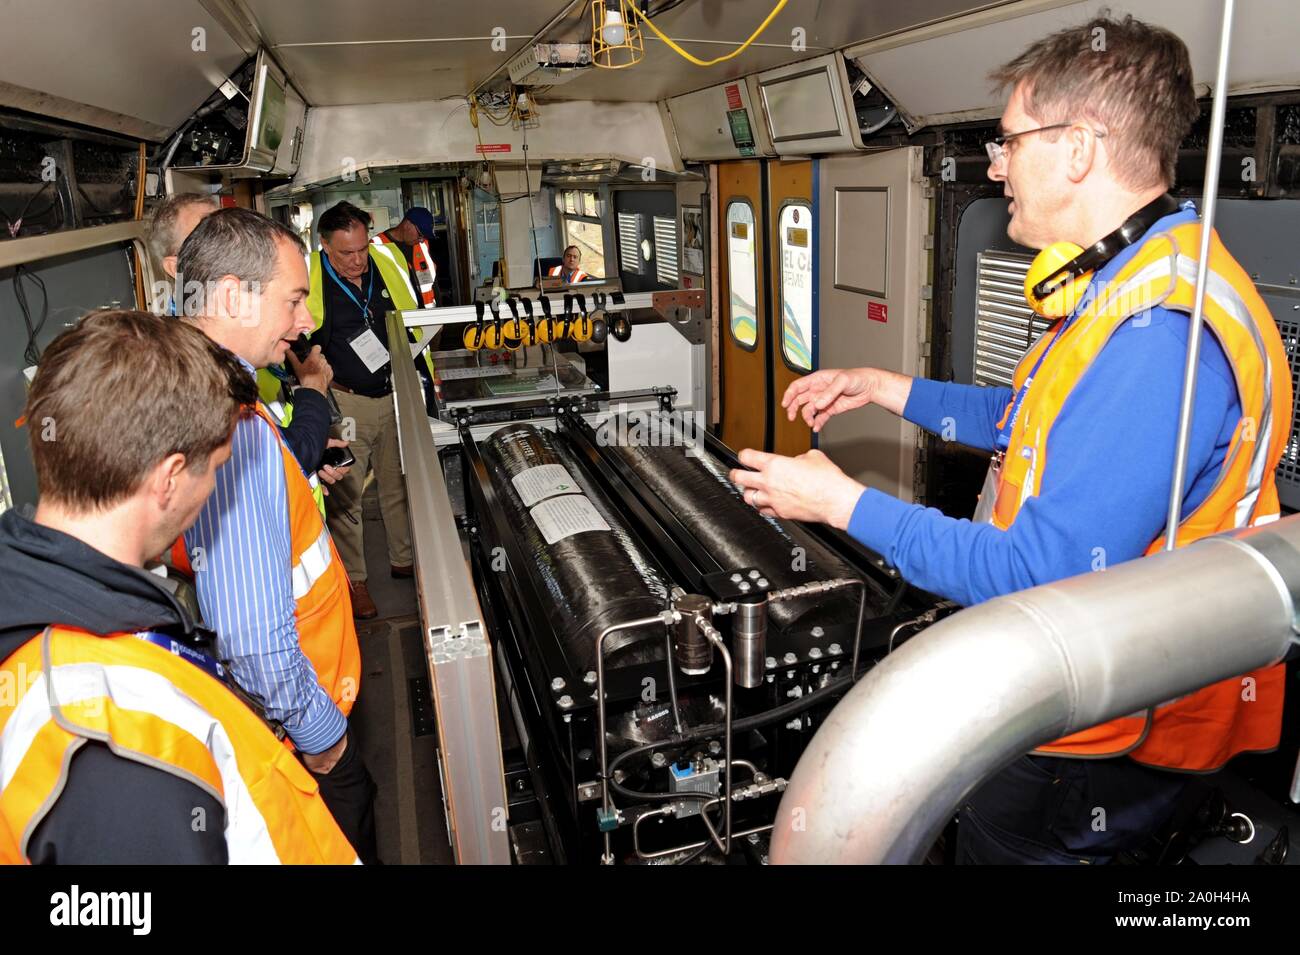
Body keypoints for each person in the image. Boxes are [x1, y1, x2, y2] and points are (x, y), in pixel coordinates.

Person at [730, 15, 1293, 863]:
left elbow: (1042, 573)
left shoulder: (1158, 336)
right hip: (1079, 692)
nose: (995, 168)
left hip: (1097, 726)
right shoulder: (1136, 273)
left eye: (1006, 143)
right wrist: (889, 390)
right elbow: (1037, 419)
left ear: (1077, 150)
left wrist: (842, 502)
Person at [0, 310, 356, 863]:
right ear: (169, 478)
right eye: (215, 468)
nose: (216, 486)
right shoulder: (114, 744)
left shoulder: (76, 621)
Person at [176, 207, 379, 863]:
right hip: (303, 721)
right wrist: (325, 737)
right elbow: (250, 638)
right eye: (294, 299)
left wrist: (299, 464)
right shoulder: (224, 421)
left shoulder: (213, 385)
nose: (306, 321)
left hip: (310, 695)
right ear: (234, 295)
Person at [148, 192, 348, 514]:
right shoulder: (188, 380)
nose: (306, 321)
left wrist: (305, 456)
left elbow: (261, 457)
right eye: (204, 234)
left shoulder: (238, 358)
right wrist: (312, 393)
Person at [306, 201, 437, 620]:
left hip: (393, 394)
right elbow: (300, 345)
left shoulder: (384, 264)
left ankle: (404, 560)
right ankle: (356, 581)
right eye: (346, 253)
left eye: (362, 248)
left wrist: (426, 385)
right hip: (345, 402)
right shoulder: (312, 279)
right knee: (348, 495)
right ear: (325, 246)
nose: (357, 260)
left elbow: (411, 322)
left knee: (399, 483)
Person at [371, 205, 441, 307]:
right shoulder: (376, 246)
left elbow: (433, 282)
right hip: (403, 318)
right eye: (420, 234)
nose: (422, 240)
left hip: (430, 316)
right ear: (407, 224)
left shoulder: (423, 244)